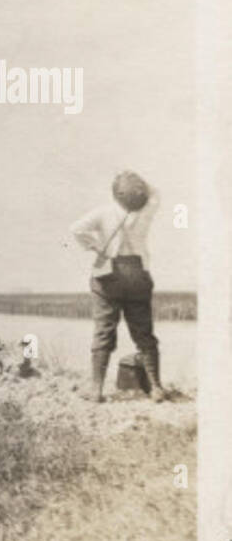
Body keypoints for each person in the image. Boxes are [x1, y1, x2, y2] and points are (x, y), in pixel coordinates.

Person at [69, 171, 165, 402]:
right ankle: (156, 388)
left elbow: (76, 229)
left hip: (109, 275)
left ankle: (96, 390)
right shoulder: (145, 212)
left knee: (104, 330)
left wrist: (96, 248)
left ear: (116, 193)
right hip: (138, 273)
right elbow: (156, 193)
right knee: (144, 332)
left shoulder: (104, 212)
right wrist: (139, 185)